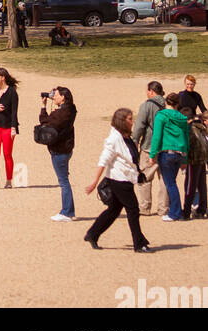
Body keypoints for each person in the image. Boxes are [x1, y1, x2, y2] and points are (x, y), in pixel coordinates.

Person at [84, 107, 151, 253]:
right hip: (118, 180)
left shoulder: (126, 136)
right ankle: (139, 244)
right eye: (129, 119)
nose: (132, 121)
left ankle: (92, 234)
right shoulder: (114, 139)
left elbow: (131, 157)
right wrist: (94, 182)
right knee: (133, 209)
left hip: (126, 178)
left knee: (114, 210)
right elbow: (103, 160)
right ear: (122, 121)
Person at [149, 92, 189, 221]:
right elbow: (186, 138)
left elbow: (157, 136)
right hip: (179, 152)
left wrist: (152, 154)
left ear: (166, 102)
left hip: (167, 153)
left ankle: (175, 213)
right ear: (178, 104)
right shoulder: (182, 118)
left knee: (170, 184)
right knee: (172, 183)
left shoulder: (161, 115)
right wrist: (185, 158)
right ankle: (176, 210)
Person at [38, 86, 77, 220]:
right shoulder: (71, 110)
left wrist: (43, 107)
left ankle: (66, 212)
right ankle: (68, 211)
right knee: (64, 180)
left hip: (59, 151)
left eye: (56, 95)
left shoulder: (61, 114)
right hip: (66, 149)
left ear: (63, 97)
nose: (53, 96)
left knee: (63, 182)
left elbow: (45, 123)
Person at [132, 81, 169, 219]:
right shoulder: (168, 104)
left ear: (151, 91)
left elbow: (139, 125)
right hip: (167, 146)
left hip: (149, 146)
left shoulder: (147, 105)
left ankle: (145, 207)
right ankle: (163, 208)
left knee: (145, 177)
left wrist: (135, 140)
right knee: (165, 179)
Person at [182, 108, 208, 219]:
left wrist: (184, 160)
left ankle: (187, 211)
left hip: (194, 160)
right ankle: (202, 210)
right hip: (202, 159)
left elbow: (188, 145)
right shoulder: (201, 128)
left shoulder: (191, 128)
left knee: (190, 186)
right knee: (202, 186)